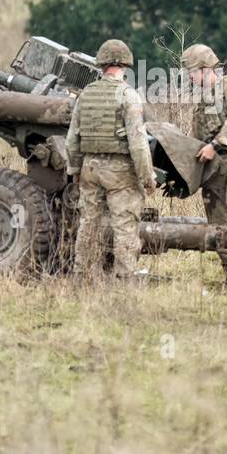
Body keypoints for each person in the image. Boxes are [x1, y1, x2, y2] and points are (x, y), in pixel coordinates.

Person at [65, 39, 156, 279]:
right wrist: (147, 177)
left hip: (90, 168)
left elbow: (72, 140)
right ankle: (124, 281)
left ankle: (81, 276)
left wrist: (74, 171)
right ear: (125, 64)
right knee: (125, 227)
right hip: (120, 171)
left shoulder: (85, 95)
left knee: (88, 225)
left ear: (102, 64)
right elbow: (138, 143)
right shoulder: (128, 95)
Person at [181, 43, 227, 280]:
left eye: (192, 72)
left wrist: (215, 144)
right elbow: (197, 139)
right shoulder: (203, 100)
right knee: (218, 219)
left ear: (204, 68)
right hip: (214, 164)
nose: (190, 77)